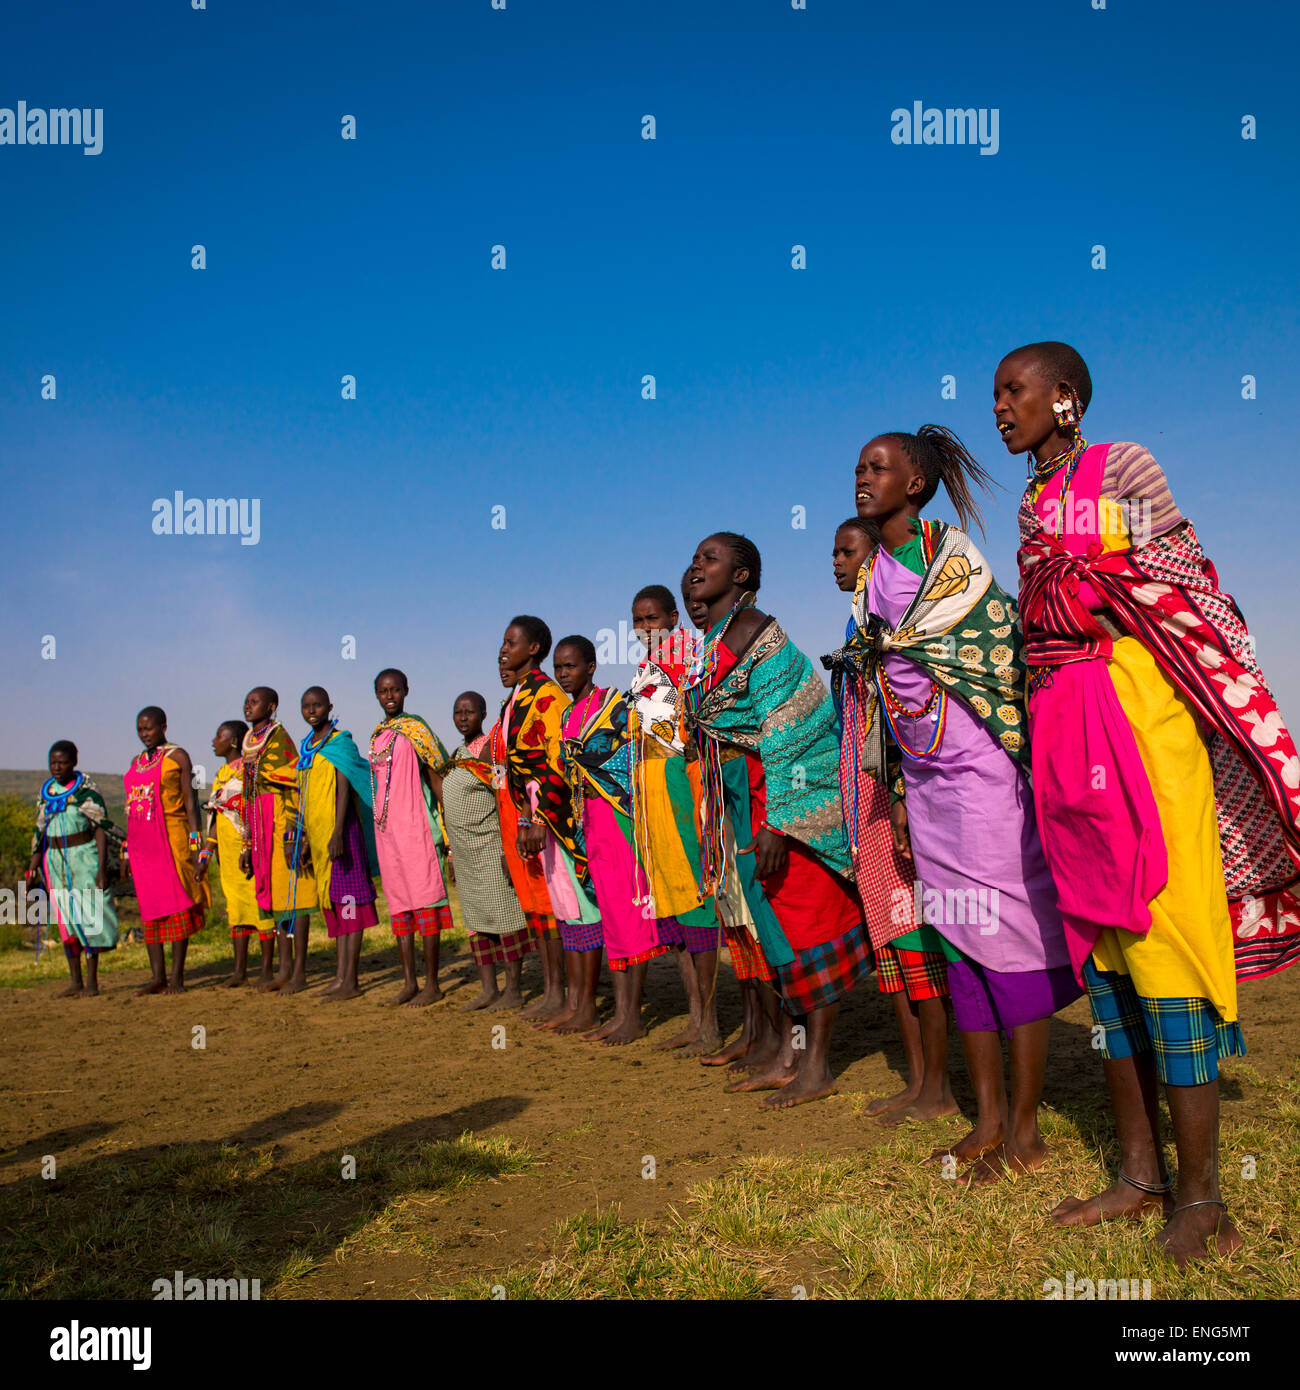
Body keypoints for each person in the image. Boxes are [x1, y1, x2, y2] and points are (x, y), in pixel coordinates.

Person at [997, 339, 1300, 1263]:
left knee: (1161, 927)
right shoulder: (1031, 498)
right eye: (995, 394)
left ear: (1068, 399)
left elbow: (1189, 587)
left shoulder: (1122, 467)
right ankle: (1139, 1175)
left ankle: (1203, 1199)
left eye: (1016, 391)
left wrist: (1084, 593)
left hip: (1141, 722)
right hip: (1065, 727)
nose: (1001, 406)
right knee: (1103, 947)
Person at [846, 428, 1081, 1181]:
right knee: (957, 941)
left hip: (983, 775)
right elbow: (886, 689)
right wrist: (904, 800)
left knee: (1006, 939)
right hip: (926, 782)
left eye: (878, 468)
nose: (862, 478)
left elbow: (995, 653)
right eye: (858, 468)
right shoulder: (869, 580)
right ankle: (983, 1121)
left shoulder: (958, 566)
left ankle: (1025, 1132)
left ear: (915, 483)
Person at [683, 533, 870, 1108]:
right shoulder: (716, 642)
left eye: (709, 560)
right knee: (775, 933)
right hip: (742, 798)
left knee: (804, 923)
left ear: (741, 577)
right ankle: (788, 1054)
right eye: (693, 560)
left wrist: (781, 822)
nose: (695, 569)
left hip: (783, 801)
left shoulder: (758, 636)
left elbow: (790, 727)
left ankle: (817, 1065)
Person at [826, 504, 958, 1126]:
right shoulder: (858, 625)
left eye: (848, 552)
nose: (837, 562)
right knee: (893, 942)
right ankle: (919, 1081)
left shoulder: (895, 620)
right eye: (834, 553)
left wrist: (904, 794)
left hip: (899, 797)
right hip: (869, 805)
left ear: (876, 557)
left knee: (917, 939)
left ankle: (941, 1087)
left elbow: (912, 707)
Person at [626, 584, 723, 1057]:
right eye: (637, 621)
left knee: (695, 896)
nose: (645, 628)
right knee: (673, 900)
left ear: (672, 616)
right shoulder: (647, 668)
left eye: (652, 619)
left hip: (679, 781)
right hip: (650, 788)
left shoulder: (690, 655)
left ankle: (710, 1023)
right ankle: (694, 1018)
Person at [494, 617, 573, 1022]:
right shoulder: (515, 698)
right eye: (503, 643)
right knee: (536, 905)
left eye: (511, 642)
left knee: (553, 901)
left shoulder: (546, 696)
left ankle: (563, 995)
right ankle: (551, 991)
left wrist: (537, 816)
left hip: (543, 813)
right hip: (520, 813)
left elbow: (558, 759)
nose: (503, 650)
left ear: (536, 647)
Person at [441, 691, 534, 1012]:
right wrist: (451, 853)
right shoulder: (457, 754)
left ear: (482, 714)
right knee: (476, 920)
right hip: (465, 855)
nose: (462, 717)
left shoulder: (492, 753)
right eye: (457, 712)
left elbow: (503, 794)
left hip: (491, 847)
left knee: (504, 916)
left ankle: (514, 990)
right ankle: (488, 990)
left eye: (469, 712)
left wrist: (508, 848)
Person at [370, 669, 454, 1006]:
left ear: (406, 691)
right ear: (376, 694)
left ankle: (432, 984)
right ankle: (409, 983)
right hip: (388, 834)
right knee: (401, 908)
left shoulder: (415, 730)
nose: (389, 696)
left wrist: (449, 827)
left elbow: (437, 774)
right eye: (382, 691)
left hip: (418, 829)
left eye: (395, 690)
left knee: (426, 902)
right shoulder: (377, 736)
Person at [297, 688, 380, 1001]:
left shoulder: (339, 743)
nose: (312, 710)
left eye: (317, 705)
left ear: (329, 707)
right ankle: (340, 976)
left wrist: (337, 834)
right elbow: (308, 797)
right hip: (319, 837)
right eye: (306, 706)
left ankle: (351, 980)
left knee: (350, 905)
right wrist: (307, 836)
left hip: (342, 835)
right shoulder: (308, 748)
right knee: (335, 905)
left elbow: (343, 791)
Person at [123, 707, 210, 994]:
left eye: (148, 728)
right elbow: (131, 810)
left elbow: (191, 803)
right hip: (142, 846)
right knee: (150, 909)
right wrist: (126, 850)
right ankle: (157, 978)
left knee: (177, 904)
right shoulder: (137, 762)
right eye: (139, 730)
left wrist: (197, 847)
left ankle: (177, 978)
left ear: (163, 726)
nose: (144, 734)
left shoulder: (178, 757)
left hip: (173, 839)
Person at [27, 741, 121, 997]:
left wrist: (102, 868)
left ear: (74, 762)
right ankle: (75, 982)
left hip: (84, 858)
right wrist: (33, 867)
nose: (57, 768)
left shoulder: (87, 791)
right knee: (65, 920)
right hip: (54, 861)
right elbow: (40, 833)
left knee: (89, 916)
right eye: (52, 763)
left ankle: (92, 983)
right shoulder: (46, 793)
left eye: (63, 762)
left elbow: (101, 827)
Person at [545, 636, 605, 1034]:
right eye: (559, 668)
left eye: (571, 666)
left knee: (592, 912)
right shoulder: (567, 716)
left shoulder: (605, 708)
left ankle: (589, 1007)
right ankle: (578, 1003)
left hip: (602, 822)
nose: (564, 674)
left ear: (591, 667)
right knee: (572, 913)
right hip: (571, 825)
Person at [240, 687, 318, 994]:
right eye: (246, 701)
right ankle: (283, 970)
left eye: (255, 701)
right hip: (259, 822)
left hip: (281, 821)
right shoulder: (251, 741)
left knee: (294, 897)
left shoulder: (279, 739)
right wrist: (246, 843)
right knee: (274, 898)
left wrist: (291, 835)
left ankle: (299, 973)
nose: (248, 706)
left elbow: (293, 787)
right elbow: (247, 794)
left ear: (271, 706)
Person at [202, 720, 259, 986]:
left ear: (234, 740)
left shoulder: (250, 770)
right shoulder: (222, 773)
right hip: (226, 853)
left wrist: (248, 847)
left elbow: (254, 811)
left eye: (218, 735)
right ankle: (240, 972)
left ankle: (272, 969)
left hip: (248, 850)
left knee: (259, 907)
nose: (214, 740)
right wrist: (205, 856)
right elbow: (215, 819)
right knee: (235, 909)